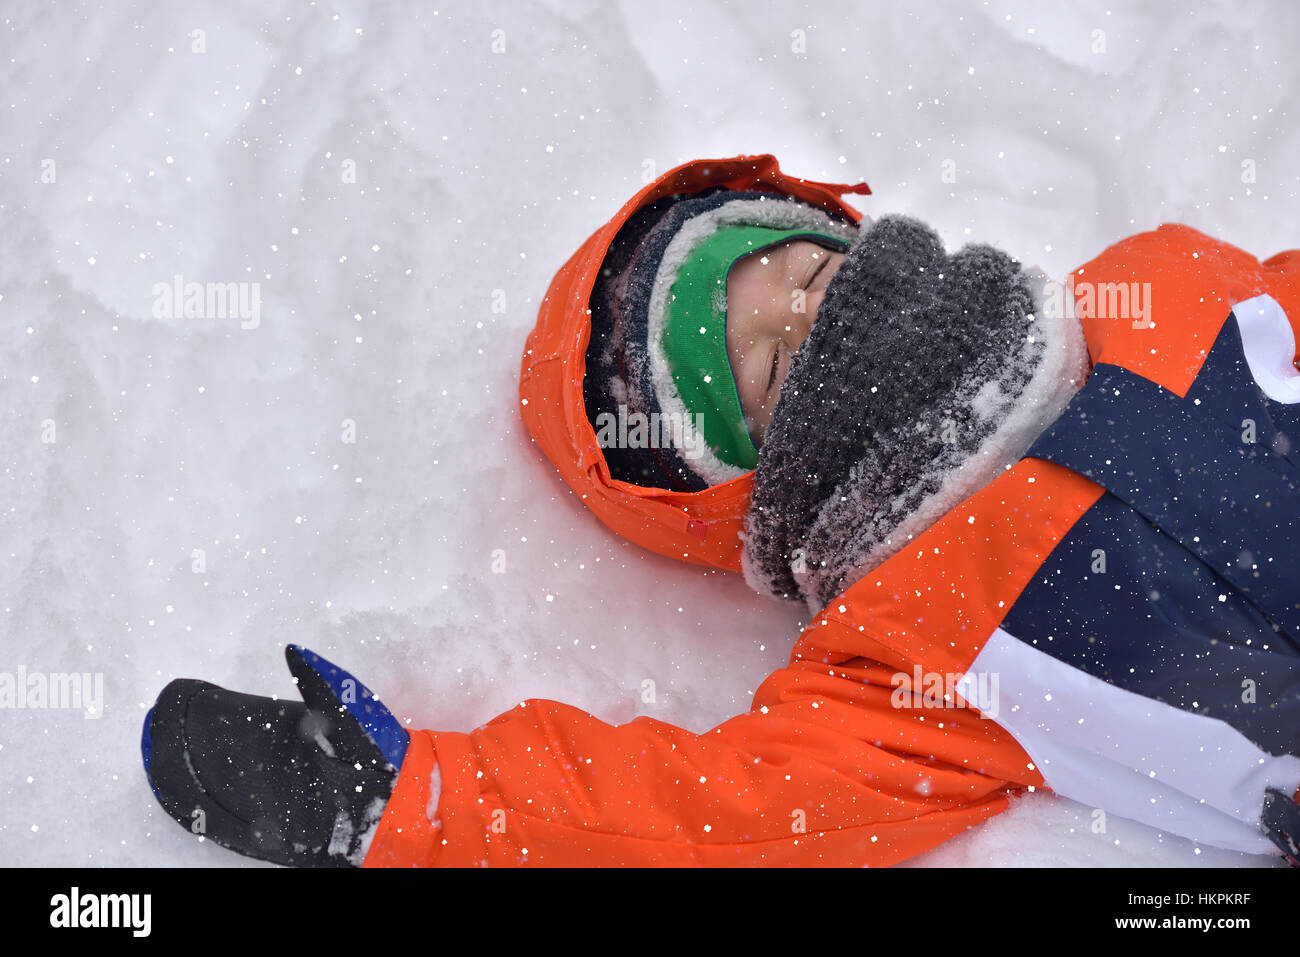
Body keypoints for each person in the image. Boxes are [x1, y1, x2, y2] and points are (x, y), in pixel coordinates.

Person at [142, 153, 1300, 867]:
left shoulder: (1168, 285)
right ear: (767, 485)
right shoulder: (903, 659)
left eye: (806, 281)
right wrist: (411, 798)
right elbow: (707, 819)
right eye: (769, 375)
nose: (809, 325)